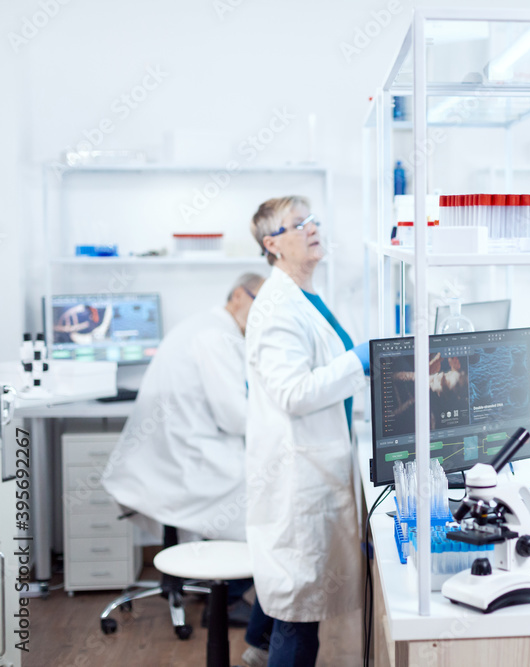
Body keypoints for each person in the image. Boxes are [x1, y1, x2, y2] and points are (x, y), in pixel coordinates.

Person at [242, 196, 369, 667]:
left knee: (294, 596)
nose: (313, 227)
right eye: (299, 224)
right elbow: (295, 392)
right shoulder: (277, 306)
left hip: (316, 463)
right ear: (272, 243)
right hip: (298, 476)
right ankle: (265, 652)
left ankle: (255, 650)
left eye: (313, 219)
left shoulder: (304, 296)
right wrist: (357, 361)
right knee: (298, 615)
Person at [102, 272, 265, 624]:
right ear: (238, 294)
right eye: (259, 303)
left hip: (170, 455)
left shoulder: (205, 325)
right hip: (188, 459)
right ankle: (227, 602)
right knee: (267, 500)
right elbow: (235, 418)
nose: (263, 315)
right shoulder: (216, 335)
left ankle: (211, 583)